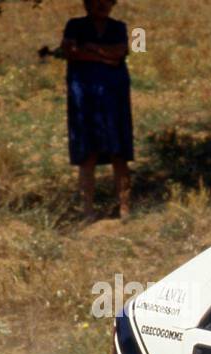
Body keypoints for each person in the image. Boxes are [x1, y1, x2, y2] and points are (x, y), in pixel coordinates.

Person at [61, 0, 133, 219]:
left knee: (119, 152)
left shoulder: (118, 27)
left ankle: (125, 208)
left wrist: (91, 48)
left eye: (105, 0)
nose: (100, 4)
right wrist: (103, 55)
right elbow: (70, 51)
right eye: (94, 0)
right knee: (87, 153)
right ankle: (88, 210)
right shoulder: (74, 25)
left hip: (114, 95)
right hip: (84, 96)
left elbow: (119, 53)